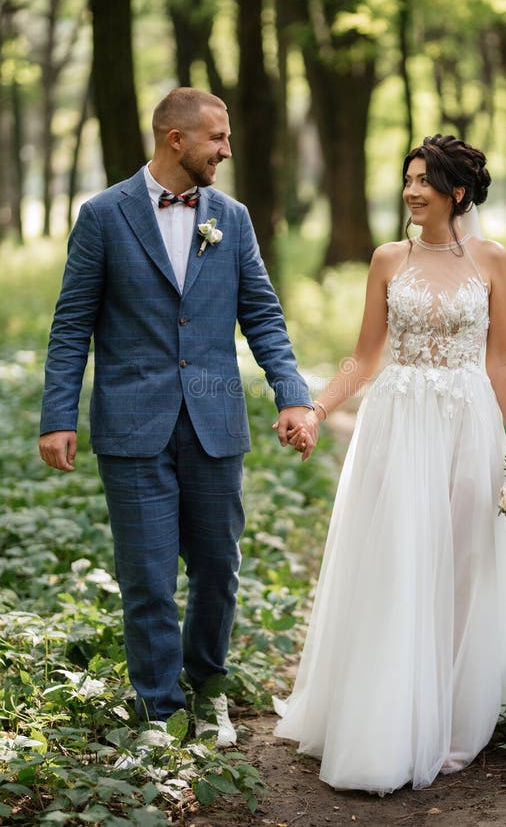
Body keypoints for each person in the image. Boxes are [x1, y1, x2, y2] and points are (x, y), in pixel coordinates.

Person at [39, 87, 317, 744]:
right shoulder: (103, 215)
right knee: (148, 580)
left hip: (215, 424)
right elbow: (71, 322)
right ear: (176, 140)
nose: (226, 149)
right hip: (132, 428)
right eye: (216, 138)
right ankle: (160, 712)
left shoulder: (233, 219)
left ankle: (208, 685)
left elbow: (263, 316)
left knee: (218, 568)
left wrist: (293, 394)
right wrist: (58, 414)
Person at [275, 135, 506, 793]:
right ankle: (386, 720)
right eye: (407, 179)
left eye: (423, 181)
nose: (410, 191)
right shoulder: (389, 258)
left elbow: (500, 362)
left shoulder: (493, 261)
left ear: (456, 191)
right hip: (398, 421)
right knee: (399, 561)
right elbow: (364, 357)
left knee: (463, 563)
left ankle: (447, 718)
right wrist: (313, 407)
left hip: (467, 423)